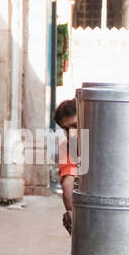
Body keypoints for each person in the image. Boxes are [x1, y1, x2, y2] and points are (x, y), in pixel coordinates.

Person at [54, 98, 77, 233]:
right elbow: (68, 182)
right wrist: (71, 213)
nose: (72, 134)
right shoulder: (67, 146)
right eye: (66, 129)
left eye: (75, 125)